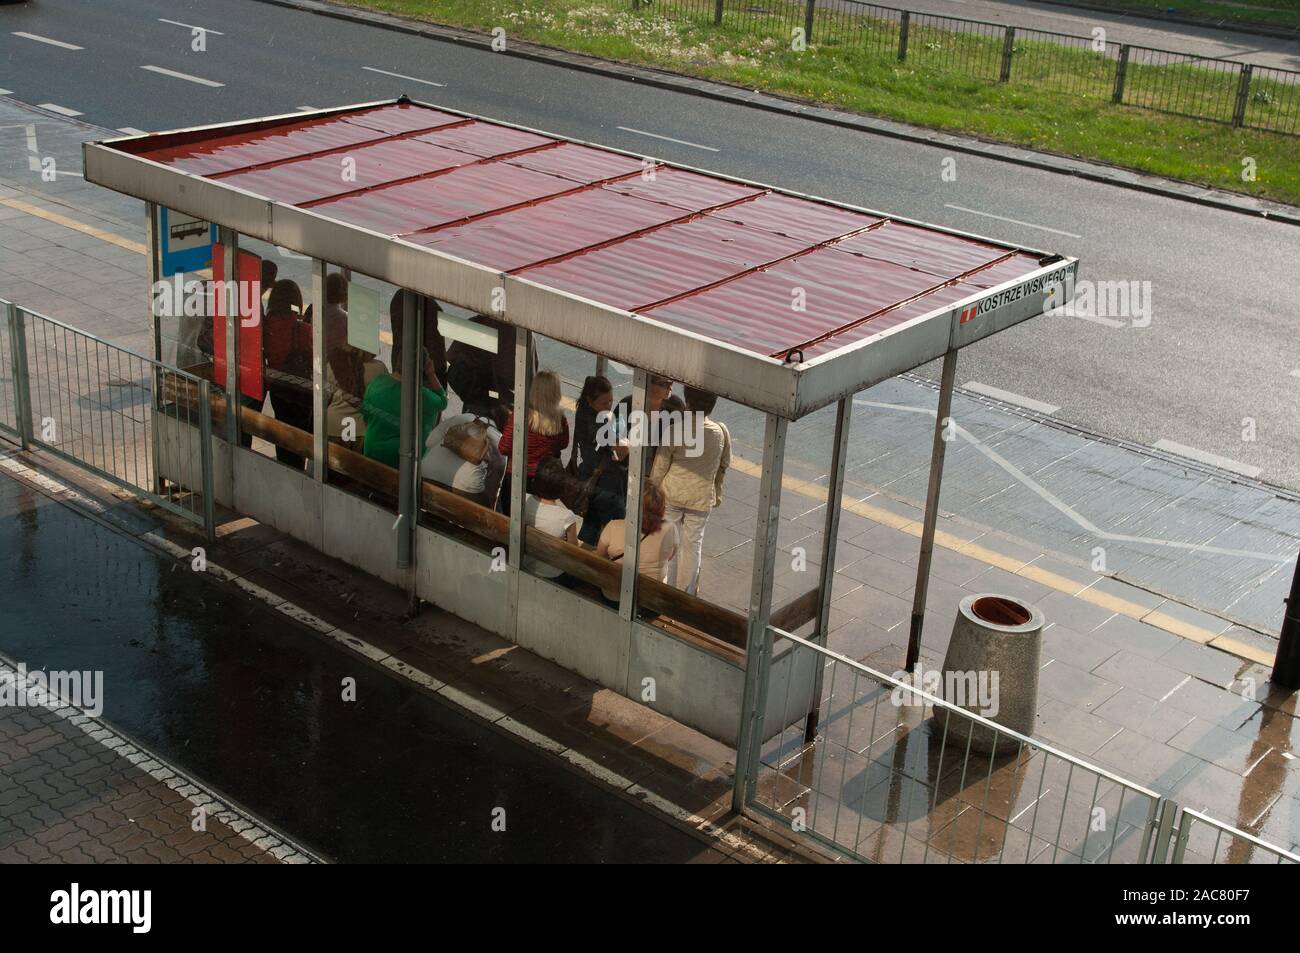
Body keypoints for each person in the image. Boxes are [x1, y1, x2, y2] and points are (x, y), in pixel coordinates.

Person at [653, 386, 731, 596]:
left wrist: (651, 489)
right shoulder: (720, 432)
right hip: (701, 497)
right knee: (692, 545)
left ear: (687, 402)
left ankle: (662, 587)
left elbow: (660, 465)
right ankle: (684, 594)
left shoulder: (675, 429)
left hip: (671, 493)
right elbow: (724, 464)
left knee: (667, 540)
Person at [361, 291, 448, 469]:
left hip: (372, 453)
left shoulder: (377, 383)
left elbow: (366, 416)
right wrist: (431, 373)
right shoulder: (422, 396)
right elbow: (442, 402)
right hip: (405, 463)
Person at [496, 369, 569, 516]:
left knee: (511, 518)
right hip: (542, 480)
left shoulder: (520, 416)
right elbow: (563, 444)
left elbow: (503, 448)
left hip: (516, 476)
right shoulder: (560, 420)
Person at [594, 481, 678, 608]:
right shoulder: (670, 529)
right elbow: (670, 556)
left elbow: (600, 558)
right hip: (651, 602)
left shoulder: (613, 526)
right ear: (662, 507)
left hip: (614, 596)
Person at [262, 278, 313, 469]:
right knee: (299, 434)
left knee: (282, 430)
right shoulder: (302, 328)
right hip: (300, 390)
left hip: (277, 389)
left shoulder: (267, 325)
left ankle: (286, 466)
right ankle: (297, 468)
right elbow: (313, 357)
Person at [421, 403, 507, 509]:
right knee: (493, 507)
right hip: (466, 488)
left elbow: (429, 442)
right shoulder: (498, 438)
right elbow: (498, 474)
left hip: (426, 472)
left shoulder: (461, 418)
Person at [445, 314, 534, 409]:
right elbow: (530, 379)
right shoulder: (524, 335)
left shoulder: (477, 322)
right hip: (503, 395)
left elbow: (450, 357)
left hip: (476, 393)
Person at [522, 462, 579, 583]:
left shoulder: (523, 499)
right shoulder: (567, 516)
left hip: (525, 563)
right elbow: (573, 550)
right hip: (552, 573)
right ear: (561, 488)